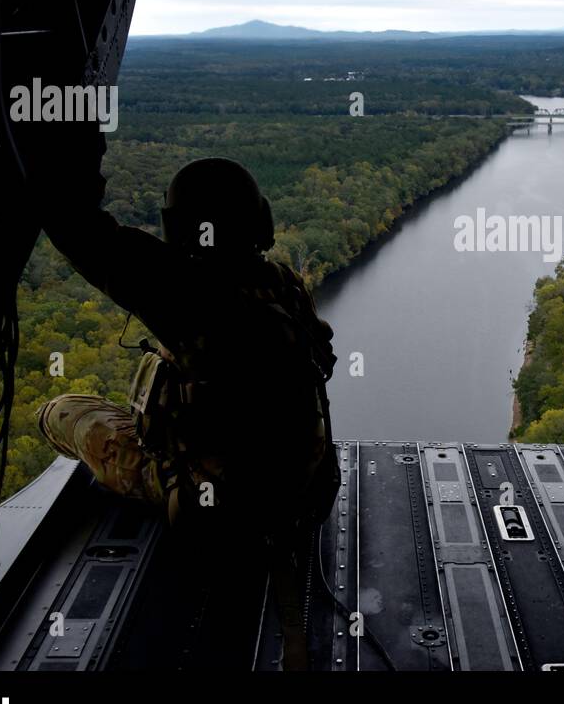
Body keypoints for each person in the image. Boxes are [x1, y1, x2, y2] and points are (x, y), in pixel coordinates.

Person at [34, 155, 338, 668]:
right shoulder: (283, 283)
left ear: (178, 230)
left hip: (220, 517)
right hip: (305, 498)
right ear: (260, 220)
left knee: (61, 411)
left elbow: (85, 235)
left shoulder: (189, 295)